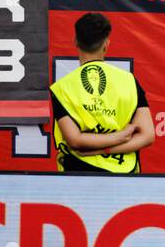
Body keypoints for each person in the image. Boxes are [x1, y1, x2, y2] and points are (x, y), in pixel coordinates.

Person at [51, 12, 155, 174]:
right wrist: (118, 137)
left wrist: (102, 150)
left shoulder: (62, 87)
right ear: (106, 44)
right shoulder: (129, 81)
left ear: (75, 41)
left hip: (77, 173)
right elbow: (147, 135)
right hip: (124, 175)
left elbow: (76, 140)